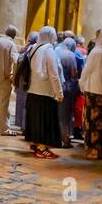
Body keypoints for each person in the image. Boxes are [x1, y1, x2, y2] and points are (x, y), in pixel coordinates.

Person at [24, 26, 64, 159]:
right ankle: (42, 148)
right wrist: (59, 93)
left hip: (33, 91)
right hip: (45, 92)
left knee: (36, 119)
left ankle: (35, 144)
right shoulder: (49, 50)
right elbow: (53, 74)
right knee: (45, 121)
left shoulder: (34, 48)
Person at [78, 30, 102, 160]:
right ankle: (99, 149)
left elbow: (87, 70)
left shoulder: (96, 51)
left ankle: (92, 149)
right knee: (99, 121)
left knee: (91, 120)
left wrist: (81, 84)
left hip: (92, 90)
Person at [56, 36, 81, 145]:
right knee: (65, 114)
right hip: (67, 88)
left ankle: (55, 137)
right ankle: (65, 139)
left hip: (55, 86)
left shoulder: (56, 51)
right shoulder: (71, 55)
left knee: (56, 113)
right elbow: (73, 73)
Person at [12, 30, 38, 132]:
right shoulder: (33, 48)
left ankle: (20, 123)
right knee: (26, 104)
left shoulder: (24, 48)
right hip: (27, 79)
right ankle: (24, 126)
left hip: (21, 78)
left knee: (20, 102)